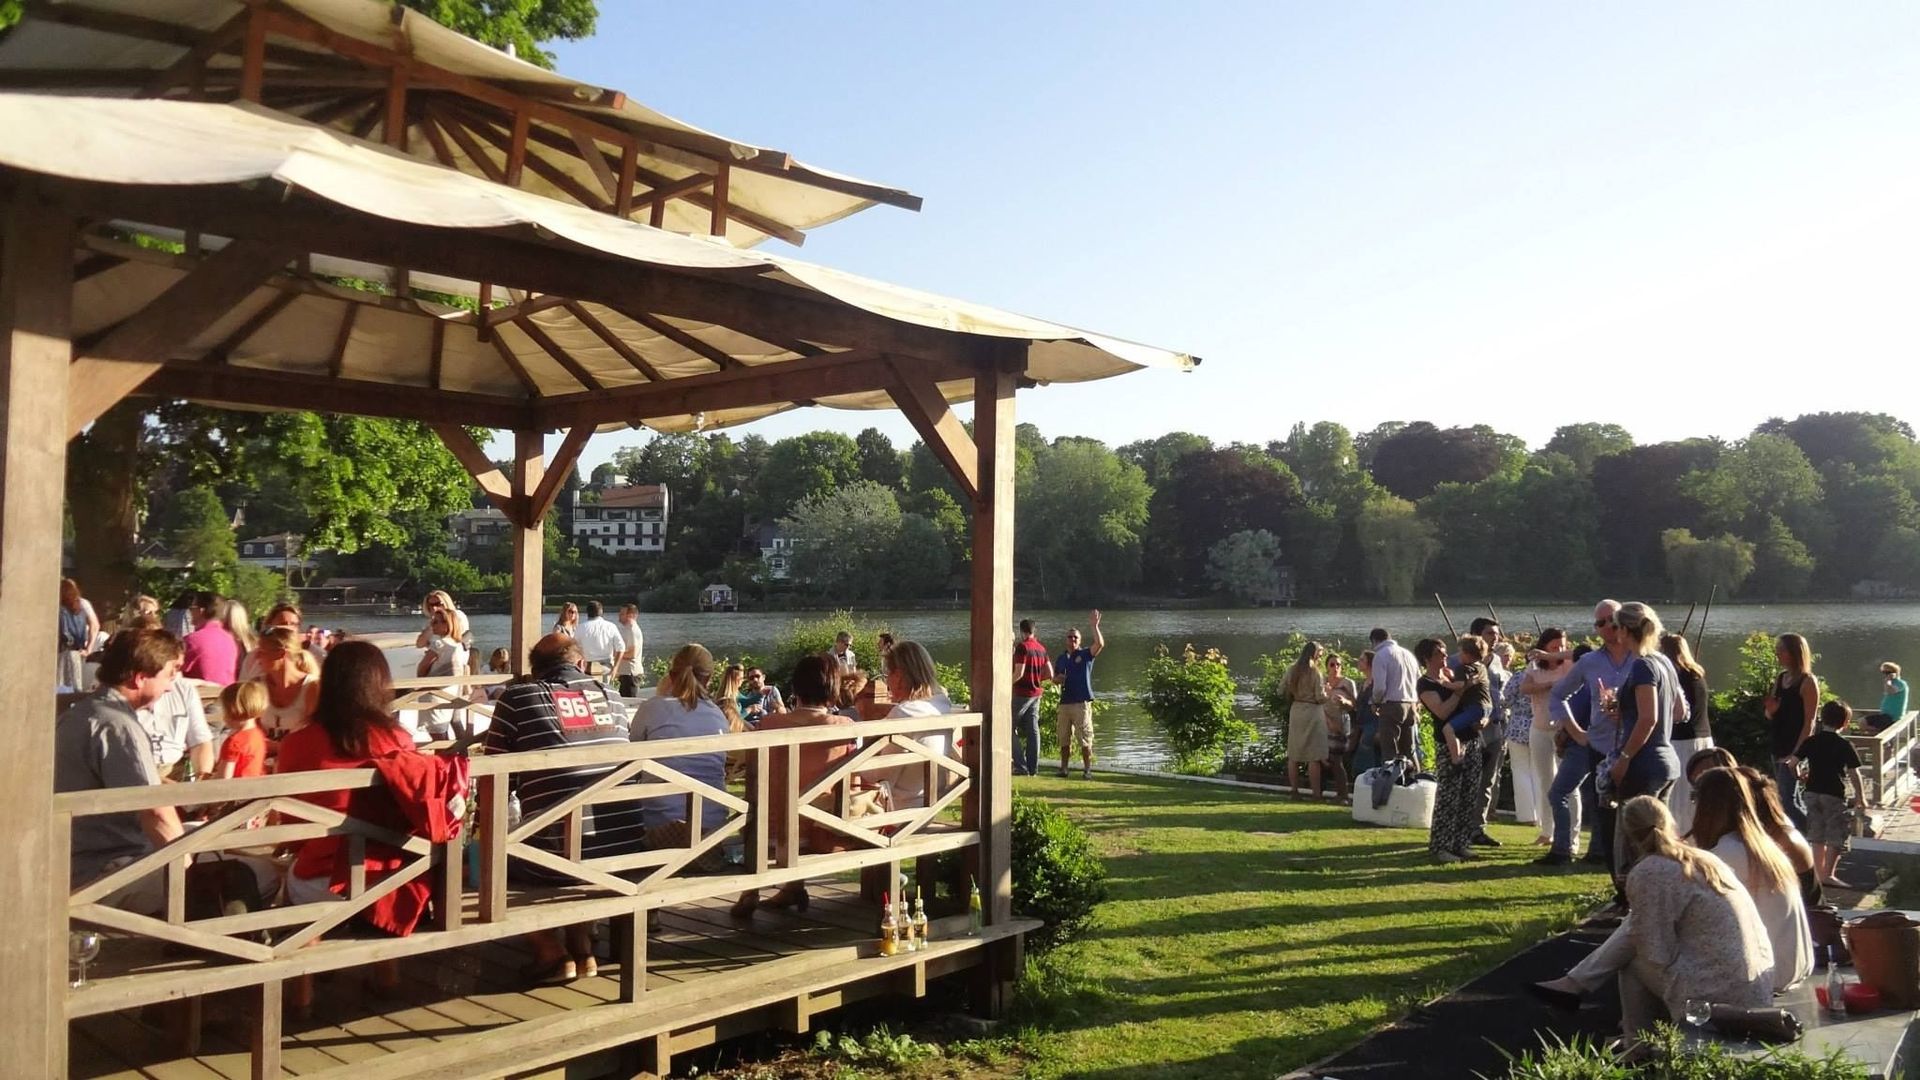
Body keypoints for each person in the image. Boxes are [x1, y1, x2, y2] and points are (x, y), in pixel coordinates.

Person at [1530, 797, 1773, 1055]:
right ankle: (1575, 986)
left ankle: (1636, 1045)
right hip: (1754, 990)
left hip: (1714, 1001)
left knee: (1632, 959)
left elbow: (1656, 951)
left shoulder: (1651, 871)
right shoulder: (1704, 859)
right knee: (1636, 930)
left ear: (1627, 834)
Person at [488, 634, 658, 981]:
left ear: (535, 670)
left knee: (490, 857)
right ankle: (581, 950)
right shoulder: (612, 696)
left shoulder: (517, 698)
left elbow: (493, 785)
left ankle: (550, 950)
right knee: (571, 832)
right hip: (623, 851)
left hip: (560, 862)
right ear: (580, 664)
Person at [54, 627, 187, 915]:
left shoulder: (80, 713)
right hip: (105, 874)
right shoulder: (117, 725)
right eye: (168, 675)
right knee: (252, 873)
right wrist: (187, 865)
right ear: (140, 678)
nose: (170, 687)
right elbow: (154, 811)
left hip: (73, 862)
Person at [734, 654, 858, 917]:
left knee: (772, 801)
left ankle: (751, 891)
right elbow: (853, 781)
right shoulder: (845, 727)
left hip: (769, 832)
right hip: (823, 830)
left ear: (796, 687)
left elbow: (753, 776)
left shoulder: (769, 724)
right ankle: (792, 888)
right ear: (833, 689)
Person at [1689, 767, 1813, 991]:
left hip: (1765, 975)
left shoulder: (1726, 855)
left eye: (1694, 799)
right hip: (1792, 967)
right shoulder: (1766, 846)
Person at [1544, 600, 1634, 871]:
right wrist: (1575, 731)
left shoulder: (1642, 659)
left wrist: (1630, 714)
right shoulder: (1590, 662)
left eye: (1612, 620)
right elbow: (1557, 695)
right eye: (1600, 623)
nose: (1607, 627)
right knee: (1584, 798)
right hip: (1596, 743)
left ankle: (1605, 854)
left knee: (1624, 803)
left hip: (1632, 744)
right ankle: (1566, 851)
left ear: (1623, 621)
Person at [1602, 602, 1684, 894]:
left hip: (1643, 763)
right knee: (1660, 839)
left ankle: (1634, 902)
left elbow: (1649, 718)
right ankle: (1664, 895)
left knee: (1631, 842)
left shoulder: (1642, 666)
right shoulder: (1664, 663)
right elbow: (1677, 711)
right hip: (1666, 760)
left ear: (1625, 630)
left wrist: (1624, 758)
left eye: (1616, 627)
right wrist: (1625, 709)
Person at [630, 645, 731, 839]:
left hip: (658, 827)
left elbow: (631, 758)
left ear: (671, 675)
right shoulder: (718, 715)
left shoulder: (652, 708)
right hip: (713, 831)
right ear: (709, 678)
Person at [1416, 637, 1482, 862]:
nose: (1445, 656)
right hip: (1447, 744)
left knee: (1468, 794)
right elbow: (1442, 712)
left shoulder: (1451, 677)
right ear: (1427, 658)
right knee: (1449, 796)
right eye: (1439, 653)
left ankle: (1460, 844)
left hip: (1470, 738)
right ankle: (1441, 846)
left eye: (1445, 651)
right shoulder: (1426, 684)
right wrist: (1460, 692)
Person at [878, 641, 958, 808]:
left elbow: (882, 777)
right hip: (931, 804)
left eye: (887, 675)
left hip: (900, 811)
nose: (887, 682)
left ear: (898, 676)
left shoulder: (903, 714)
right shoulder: (941, 706)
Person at [1798, 701, 1867, 889]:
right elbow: (1854, 772)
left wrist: (1800, 776)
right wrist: (1860, 797)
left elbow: (1793, 763)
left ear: (1822, 718)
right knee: (1836, 833)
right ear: (1845, 723)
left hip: (1812, 793)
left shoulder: (1811, 741)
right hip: (1833, 794)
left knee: (1817, 833)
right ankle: (1828, 874)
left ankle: (1818, 873)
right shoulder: (1844, 744)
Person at [1516, 629, 1572, 847]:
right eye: (1554, 646)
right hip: (1539, 728)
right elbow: (1524, 687)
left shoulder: (1570, 664)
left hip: (1563, 730)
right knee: (1545, 780)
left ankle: (1570, 837)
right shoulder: (1535, 666)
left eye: (1562, 646)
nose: (1559, 650)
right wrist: (1547, 685)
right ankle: (1547, 831)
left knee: (1567, 782)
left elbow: (1582, 655)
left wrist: (1555, 656)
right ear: (1544, 646)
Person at [1763, 633, 1822, 830]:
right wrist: (1771, 711)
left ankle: (1813, 834)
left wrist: (1797, 755)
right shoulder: (1781, 678)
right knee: (1790, 798)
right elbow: (1770, 714)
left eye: (1781, 650)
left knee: (1786, 801)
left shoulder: (1807, 681)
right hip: (1778, 744)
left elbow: (1809, 722)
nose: (1777, 653)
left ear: (1794, 652)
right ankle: (1810, 835)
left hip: (1795, 747)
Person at [1460, 618, 1508, 846]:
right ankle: (1460, 829)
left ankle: (1478, 828)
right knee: (1468, 779)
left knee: (1488, 781)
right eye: (1490, 633)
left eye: (1497, 634)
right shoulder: (1462, 661)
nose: (1495, 638)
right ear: (1477, 636)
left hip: (1497, 726)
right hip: (1474, 727)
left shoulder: (1497, 660)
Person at [1660, 632, 1714, 833]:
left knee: (1680, 795)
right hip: (1704, 741)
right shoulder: (1697, 675)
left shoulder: (1674, 677)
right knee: (1698, 793)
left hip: (1682, 743)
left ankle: (1681, 834)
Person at [1054, 611, 1106, 780]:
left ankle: (1087, 769)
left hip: (1081, 703)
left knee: (1084, 738)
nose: (1072, 640)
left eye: (1075, 637)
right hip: (1065, 703)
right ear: (1066, 640)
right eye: (1070, 637)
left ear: (1080, 640)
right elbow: (1054, 678)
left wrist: (1094, 626)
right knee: (1064, 738)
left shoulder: (1085, 655)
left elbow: (1099, 644)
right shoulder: (1061, 658)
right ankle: (1064, 768)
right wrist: (1058, 679)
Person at [249, 626, 321, 741]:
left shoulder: (312, 687)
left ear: (281, 653)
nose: (257, 657)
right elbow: (250, 732)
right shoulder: (256, 685)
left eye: (262, 652)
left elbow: (313, 737)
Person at [1497, 641, 1539, 833]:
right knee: (1540, 772)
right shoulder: (1548, 676)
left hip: (1517, 728)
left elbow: (1505, 699)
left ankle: (1526, 814)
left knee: (1521, 771)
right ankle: (1541, 813)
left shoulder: (1519, 676)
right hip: (1539, 726)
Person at [412, 606, 470, 742]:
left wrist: (421, 681)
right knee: (442, 732)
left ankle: (447, 755)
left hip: (434, 693)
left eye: (438, 622)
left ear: (448, 624)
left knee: (438, 735)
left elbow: (423, 667)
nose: (434, 625)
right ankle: (455, 754)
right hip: (450, 691)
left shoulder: (440, 643)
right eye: (433, 622)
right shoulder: (459, 645)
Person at [1284, 641, 1330, 799]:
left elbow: (1282, 689)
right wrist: (1328, 692)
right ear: (1314, 654)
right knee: (1313, 755)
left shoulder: (1292, 669)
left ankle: (1294, 791)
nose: (1320, 658)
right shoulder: (1315, 672)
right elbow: (1320, 697)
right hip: (1312, 711)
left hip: (1296, 709)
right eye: (1320, 655)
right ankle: (1316, 794)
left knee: (1294, 754)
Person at [1368, 628, 1420, 766]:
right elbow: (1418, 680)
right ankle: (1415, 777)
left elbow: (1380, 687)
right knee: (1409, 750)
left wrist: (1375, 702)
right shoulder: (1408, 654)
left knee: (1390, 752)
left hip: (1391, 705)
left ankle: (1391, 779)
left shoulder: (1380, 655)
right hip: (1411, 703)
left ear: (1374, 641)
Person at [1012, 619, 1053, 778]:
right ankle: (1033, 768)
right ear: (1034, 631)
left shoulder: (1022, 647)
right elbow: (1050, 673)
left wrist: (1005, 684)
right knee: (1033, 731)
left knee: (1007, 728)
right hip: (1036, 694)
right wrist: (1036, 679)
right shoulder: (1041, 648)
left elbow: (1019, 673)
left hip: (1021, 693)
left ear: (1022, 631)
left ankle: (1021, 766)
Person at [179, 591, 240, 685]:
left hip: (201, 693)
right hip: (226, 692)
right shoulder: (230, 640)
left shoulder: (192, 640)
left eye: (192, 609)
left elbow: (174, 672)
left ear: (201, 611)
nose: (190, 613)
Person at [215, 680, 271, 780]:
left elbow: (224, 778)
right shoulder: (257, 735)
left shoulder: (234, 743)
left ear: (232, 711)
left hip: (238, 788)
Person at [1323, 653, 1356, 802]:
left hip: (1340, 723)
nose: (1335, 667)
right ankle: (1326, 792)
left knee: (1337, 759)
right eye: (1332, 664)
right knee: (1324, 759)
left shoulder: (1347, 683)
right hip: (1324, 722)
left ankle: (1343, 794)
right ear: (1327, 667)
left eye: (1338, 664)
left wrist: (1344, 702)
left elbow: (1354, 705)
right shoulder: (1323, 682)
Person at [57, 577, 99, 690]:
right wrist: (88, 649)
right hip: (76, 651)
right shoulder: (82, 604)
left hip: (59, 651)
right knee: (74, 685)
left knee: (58, 686)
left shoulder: (57, 606)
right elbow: (95, 625)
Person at [574, 600, 625, 684]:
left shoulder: (580, 628)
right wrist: (615, 667)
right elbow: (621, 648)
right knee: (606, 690)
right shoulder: (611, 627)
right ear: (601, 612)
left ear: (587, 612)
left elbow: (574, 649)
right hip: (605, 667)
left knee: (590, 691)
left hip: (587, 667)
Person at [1350, 650, 1381, 775]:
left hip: (1373, 725)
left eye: (1362, 660)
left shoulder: (1376, 683)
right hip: (1362, 725)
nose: (1359, 662)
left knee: (1367, 763)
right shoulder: (1364, 682)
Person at [614, 604, 645, 697]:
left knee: (629, 702)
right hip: (626, 674)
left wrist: (616, 655)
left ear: (630, 615)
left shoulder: (632, 629)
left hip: (630, 674)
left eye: (622, 614)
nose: (619, 615)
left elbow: (632, 653)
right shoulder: (627, 629)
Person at [1869, 662, 1909, 730]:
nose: (1885, 675)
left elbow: (1890, 691)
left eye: (1887, 672)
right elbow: (1887, 690)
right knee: (1862, 722)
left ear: (1894, 672)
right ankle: (1879, 732)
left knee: (1863, 722)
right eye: (1884, 672)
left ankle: (1880, 733)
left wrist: (1888, 680)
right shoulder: (1890, 683)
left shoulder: (1900, 683)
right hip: (1885, 715)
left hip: (1893, 717)